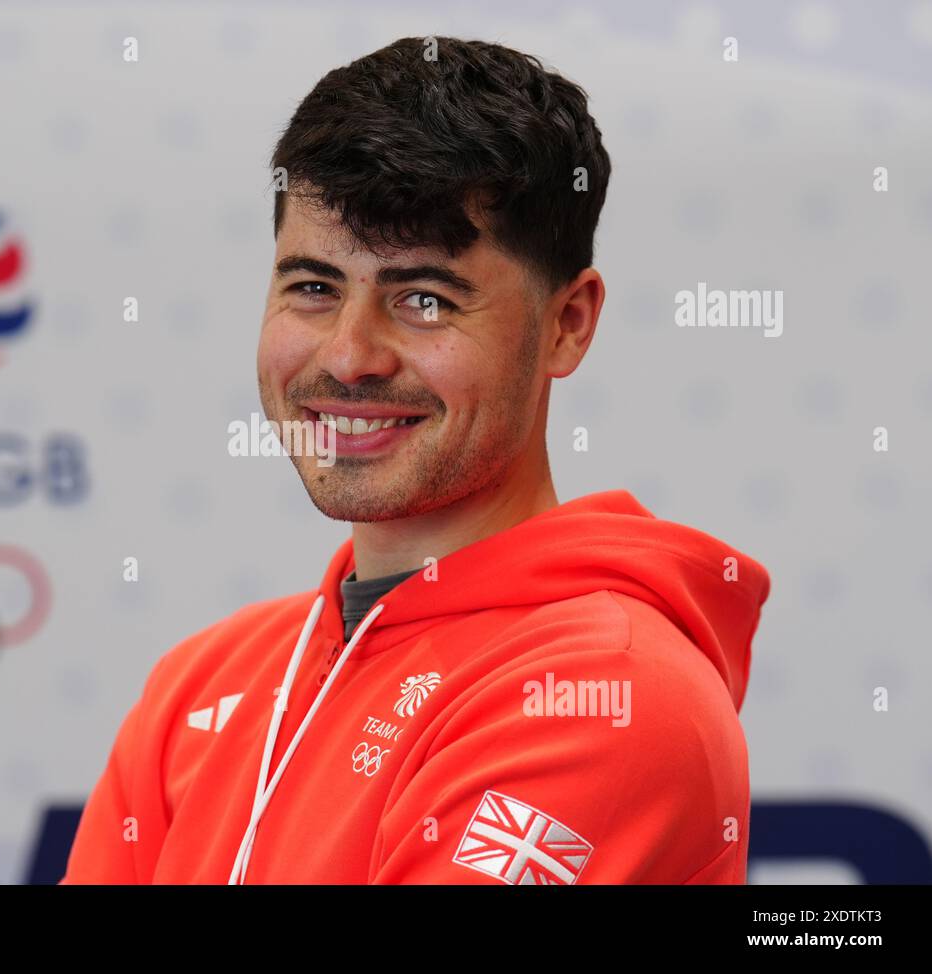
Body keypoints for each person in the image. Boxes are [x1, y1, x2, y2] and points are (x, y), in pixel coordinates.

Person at [62, 36, 770, 884]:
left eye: (424, 298)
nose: (351, 355)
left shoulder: (606, 694)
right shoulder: (204, 684)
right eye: (314, 286)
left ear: (567, 324)